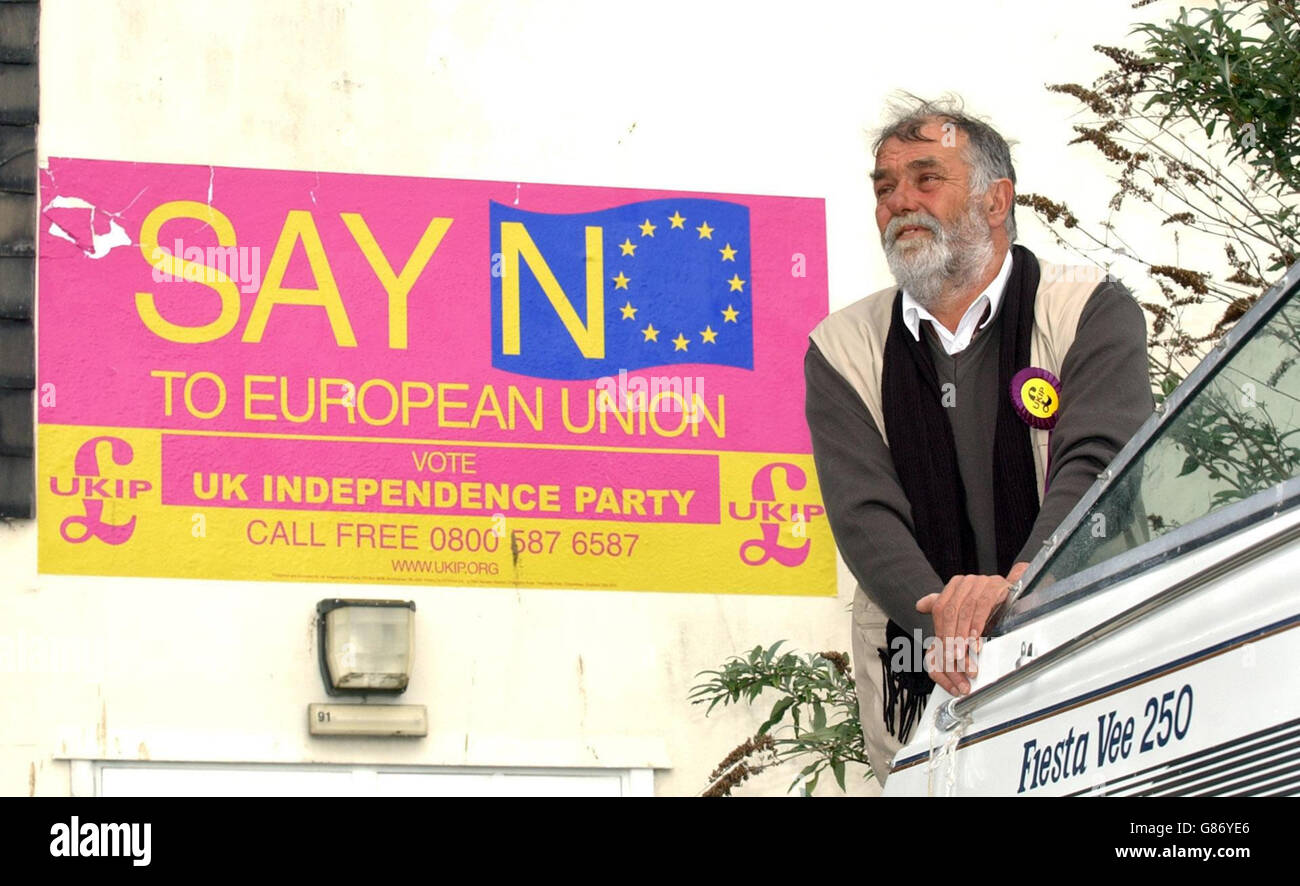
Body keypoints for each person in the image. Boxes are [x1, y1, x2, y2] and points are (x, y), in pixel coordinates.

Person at [804, 97, 1153, 786]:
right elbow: (863, 513)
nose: (900, 202)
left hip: (1078, 636)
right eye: (884, 188)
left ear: (996, 202)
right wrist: (949, 622)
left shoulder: (1088, 307)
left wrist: (1014, 596)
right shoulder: (840, 347)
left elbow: (1100, 466)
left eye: (926, 179)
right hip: (922, 669)